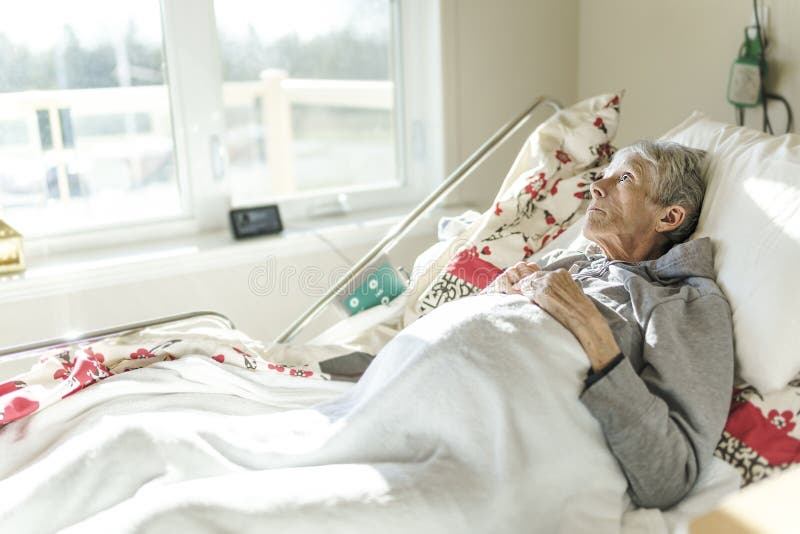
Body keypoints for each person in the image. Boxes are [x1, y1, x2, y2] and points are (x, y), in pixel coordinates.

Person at [482, 140, 734, 509]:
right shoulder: (567, 261)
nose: (596, 186)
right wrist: (498, 292)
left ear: (668, 218)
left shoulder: (680, 301)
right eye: (604, 175)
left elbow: (669, 475)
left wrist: (588, 325)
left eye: (626, 177)